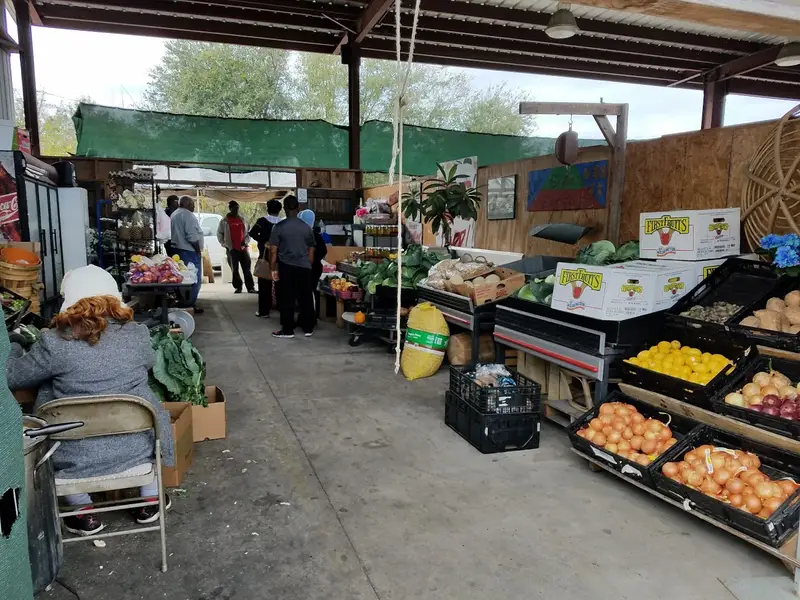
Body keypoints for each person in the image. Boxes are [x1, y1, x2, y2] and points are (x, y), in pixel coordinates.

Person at [6, 266, 175, 535]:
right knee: (146, 398)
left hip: (72, 455)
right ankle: (149, 500)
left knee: (49, 390)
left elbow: (13, 376)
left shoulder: (54, 342)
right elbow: (148, 363)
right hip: (136, 447)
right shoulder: (136, 334)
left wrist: (14, 344)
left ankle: (83, 511)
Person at [269, 195, 315, 339]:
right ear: (298, 208)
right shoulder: (306, 228)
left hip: (287, 267)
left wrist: (273, 269)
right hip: (304, 267)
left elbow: (273, 251)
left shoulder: (279, 227)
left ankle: (288, 330)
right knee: (306, 298)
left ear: (284, 209)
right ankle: (308, 328)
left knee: (287, 299)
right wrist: (309, 265)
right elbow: (311, 249)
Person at [170, 196, 204, 314]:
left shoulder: (175, 214)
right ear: (188, 204)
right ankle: (189, 304)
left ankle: (183, 302)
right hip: (188, 251)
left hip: (177, 250)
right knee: (193, 278)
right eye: (193, 204)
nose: (194, 207)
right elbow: (192, 236)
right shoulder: (188, 215)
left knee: (182, 279)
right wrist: (198, 250)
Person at [249, 199, 282, 318]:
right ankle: (281, 308)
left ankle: (264, 311)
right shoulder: (282, 223)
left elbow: (252, 233)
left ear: (267, 209)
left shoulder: (262, 221)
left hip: (265, 256)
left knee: (264, 284)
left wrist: (263, 241)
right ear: (280, 210)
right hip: (280, 257)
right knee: (280, 283)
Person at [217, 201, 255, 294]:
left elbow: (248, 233)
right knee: (235, 270)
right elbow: (219, 234)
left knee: (247, 269)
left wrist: (245, 242)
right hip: (232, 249)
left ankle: (250, 287)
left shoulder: (243, 219)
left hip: (243, 248)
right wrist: (224, 244)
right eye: (234, 208)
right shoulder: (224, 221)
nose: (236, 210)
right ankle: (238, 287)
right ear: (230, 209)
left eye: (238, 208)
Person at [298, 209, 328, 321]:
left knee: (303, 293)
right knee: (314, 291)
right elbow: (324, 250)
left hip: (302, 267)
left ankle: (304, 317)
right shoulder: (317, 235)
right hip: (315, 268)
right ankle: (315, 315)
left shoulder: (299, 235)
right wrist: (316, 259)